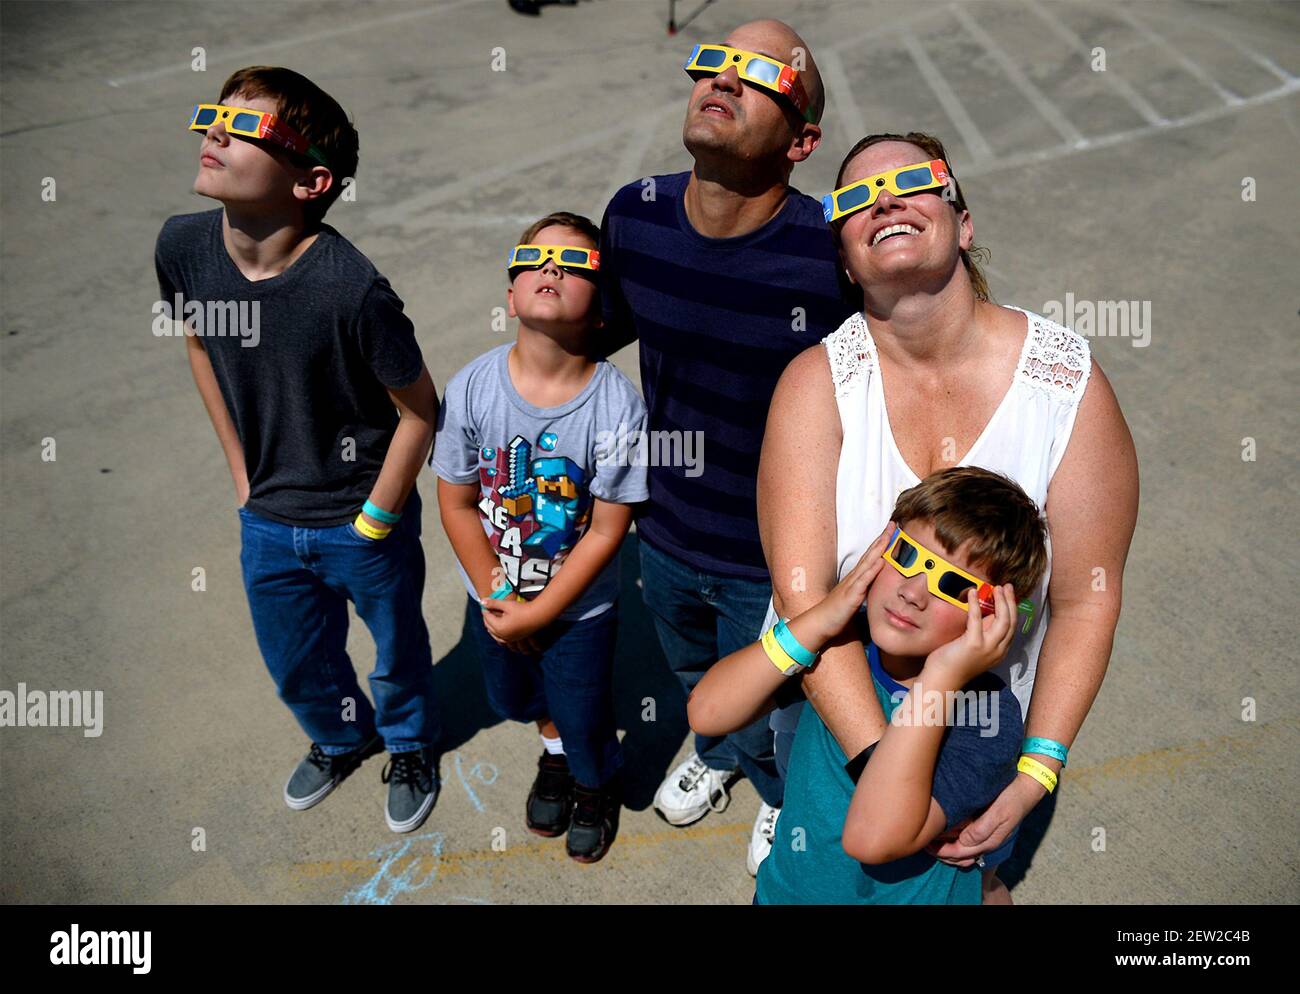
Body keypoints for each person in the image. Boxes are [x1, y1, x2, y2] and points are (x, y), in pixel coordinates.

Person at [756, 131, 1139, 902]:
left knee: (964, 880)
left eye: (912, 183)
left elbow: (1087, 597)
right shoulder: (814, 385)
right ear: (843, 255)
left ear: (963, 223)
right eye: (856, 198)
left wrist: (1035, 772)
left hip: (981, 730)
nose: (885, 201)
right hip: (835, 718)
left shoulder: (1065, 383)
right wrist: (879, 769)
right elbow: (806, 599)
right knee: (827, 872)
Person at [598, 18, 859, 875]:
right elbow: (589, 346)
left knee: (772, 705)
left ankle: (775, 791)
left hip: (775, 550)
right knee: (690, 673)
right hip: (664, 530)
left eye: (757, 77)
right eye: (713, 63)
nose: (723, 81)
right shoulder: (634, 217)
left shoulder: (828, 256)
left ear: (803, 139)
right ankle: (716, 754)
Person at [154, 66, 443, 834]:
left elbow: (421, 409)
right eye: (215, 115)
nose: (216, 130)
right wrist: (241, 474)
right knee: (294, 658)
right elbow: (197, 343)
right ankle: (340, 736)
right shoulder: (183, 246)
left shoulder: (352, 289)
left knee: (396, 651)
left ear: (312, 182)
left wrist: (378, 518)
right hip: (267, 515)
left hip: (359, 519)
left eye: (246, 127)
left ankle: (409, 743)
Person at [692, 468, 1044, 903]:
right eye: (908, 557)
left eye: (953, 585)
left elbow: (872, 837)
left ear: (993, 615)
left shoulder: (985, 714)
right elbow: (707, 712)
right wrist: (818, 620)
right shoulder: (840, 648)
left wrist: (940, 679)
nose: (914, 593)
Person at [431, 213, 648, 862]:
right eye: (535, 259)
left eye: (576, 264)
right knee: (512, 697)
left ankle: (593, 781)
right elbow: (456, 500)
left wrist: (544, 610)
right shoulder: (472, 387)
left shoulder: (616, 406)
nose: (553, 268)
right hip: (495, 601)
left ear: (602, 307)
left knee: (583, 714)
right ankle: (555, 753)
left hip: (578, 613)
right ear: (510, 296)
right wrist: (503, 599)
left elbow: (609, 528)